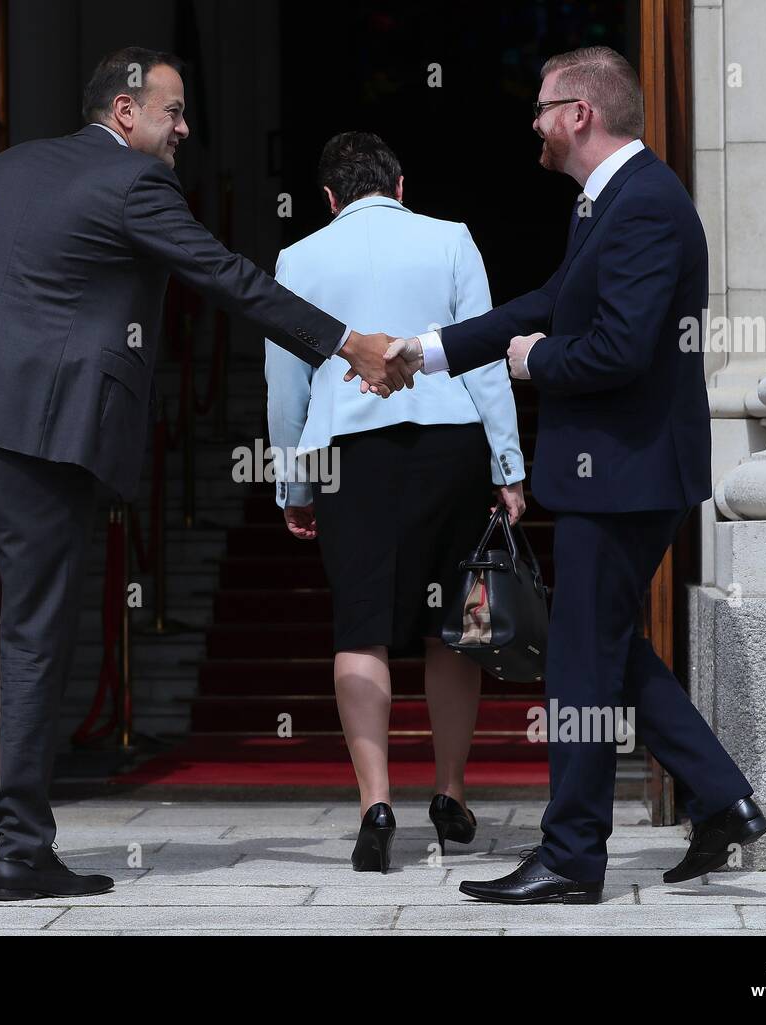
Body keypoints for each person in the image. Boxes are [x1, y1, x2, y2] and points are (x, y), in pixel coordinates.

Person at [0, 46, 409, 902]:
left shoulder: (4, 166)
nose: (185, 128)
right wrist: (350, 343)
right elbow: (226, 278)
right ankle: (20, 850)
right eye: (173, 111)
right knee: (33, 634)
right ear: (124, 111)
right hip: (42, 433)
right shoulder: (137, 186)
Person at [386, 46, 766, 904]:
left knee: (580, 664)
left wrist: (531, 365)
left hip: (626, 476)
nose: (534, 125)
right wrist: (430, 350)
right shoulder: (610, 203)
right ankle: (721, 797)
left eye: (541, 109)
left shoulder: (645, 206)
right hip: (619, 473)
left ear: (581, 114)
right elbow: (546, 302)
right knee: (599, 648)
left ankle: (571, 855)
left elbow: (619, 349)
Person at [265, 132, 526, 873]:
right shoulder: (452, 240)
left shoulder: (298, 259)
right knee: (455, 629)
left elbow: (286, 386)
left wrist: (294, 482)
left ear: (329, 198)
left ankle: (375, 804)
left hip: (352, 453)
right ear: (401, 185)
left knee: (361, 624)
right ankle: (450, 792)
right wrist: (507, 465)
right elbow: (485, 356)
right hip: (451, 446)